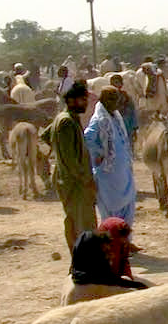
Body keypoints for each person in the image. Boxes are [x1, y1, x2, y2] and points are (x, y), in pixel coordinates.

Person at [42, 80, 97, 249]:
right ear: (72, 101)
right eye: (83, 100)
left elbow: (45, 136)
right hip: (73, 182)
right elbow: (70, 159)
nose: (86, 104)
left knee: (78, 222)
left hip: (71, 180)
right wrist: (86, 180)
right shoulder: (66, 122)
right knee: (82, 224)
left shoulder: (67, 118)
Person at [84, 86, 137, 226]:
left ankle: (124, 242)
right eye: (112, 99)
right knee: (110, 214)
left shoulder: (116, 117)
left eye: (117, 99)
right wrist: (99, 153)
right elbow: (87, 139)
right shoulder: (98, 120)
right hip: (108, 176)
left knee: (128, 209)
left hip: (123, 174)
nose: (116, 102)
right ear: (103, 100)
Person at [65, 216, 149, 303]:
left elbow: (122, 263)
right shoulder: (99, 250)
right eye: (107, 252)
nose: (111, 255)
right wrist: (136, 285)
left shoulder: (94, 241)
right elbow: (108, 279)